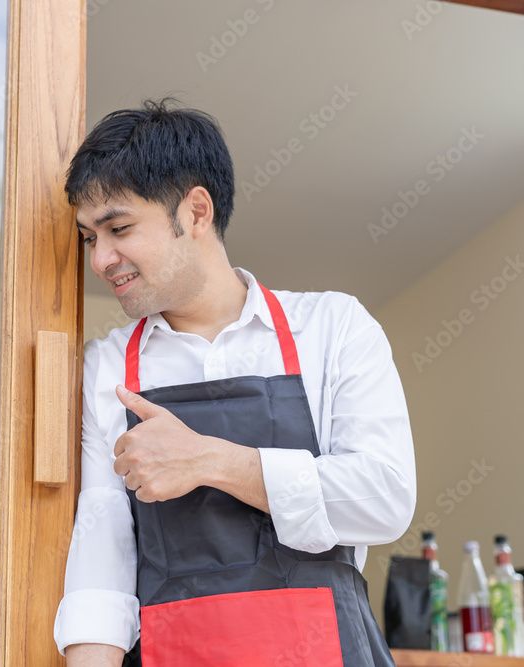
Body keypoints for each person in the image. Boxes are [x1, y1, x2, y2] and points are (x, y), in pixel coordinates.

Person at [53, 99, 416, 666]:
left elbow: (384, 499)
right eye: (88, 238)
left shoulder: (331, 327)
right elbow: (103, 559)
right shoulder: (106, 367)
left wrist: (209, 461)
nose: (101, 259)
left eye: (119, 228)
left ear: (197, 211)